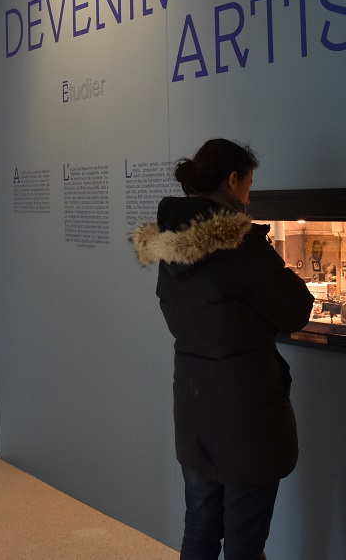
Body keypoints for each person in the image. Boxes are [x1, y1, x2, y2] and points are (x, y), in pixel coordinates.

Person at [130, 139, 314, 560]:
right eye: (249, 184)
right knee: (245, 540)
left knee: (199, 525)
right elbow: (296, 310)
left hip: (194, 404)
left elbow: (211, 312)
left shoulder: (170, 244)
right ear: (233, 180)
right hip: (245, 409)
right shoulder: (241, 243)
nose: (249, 197)